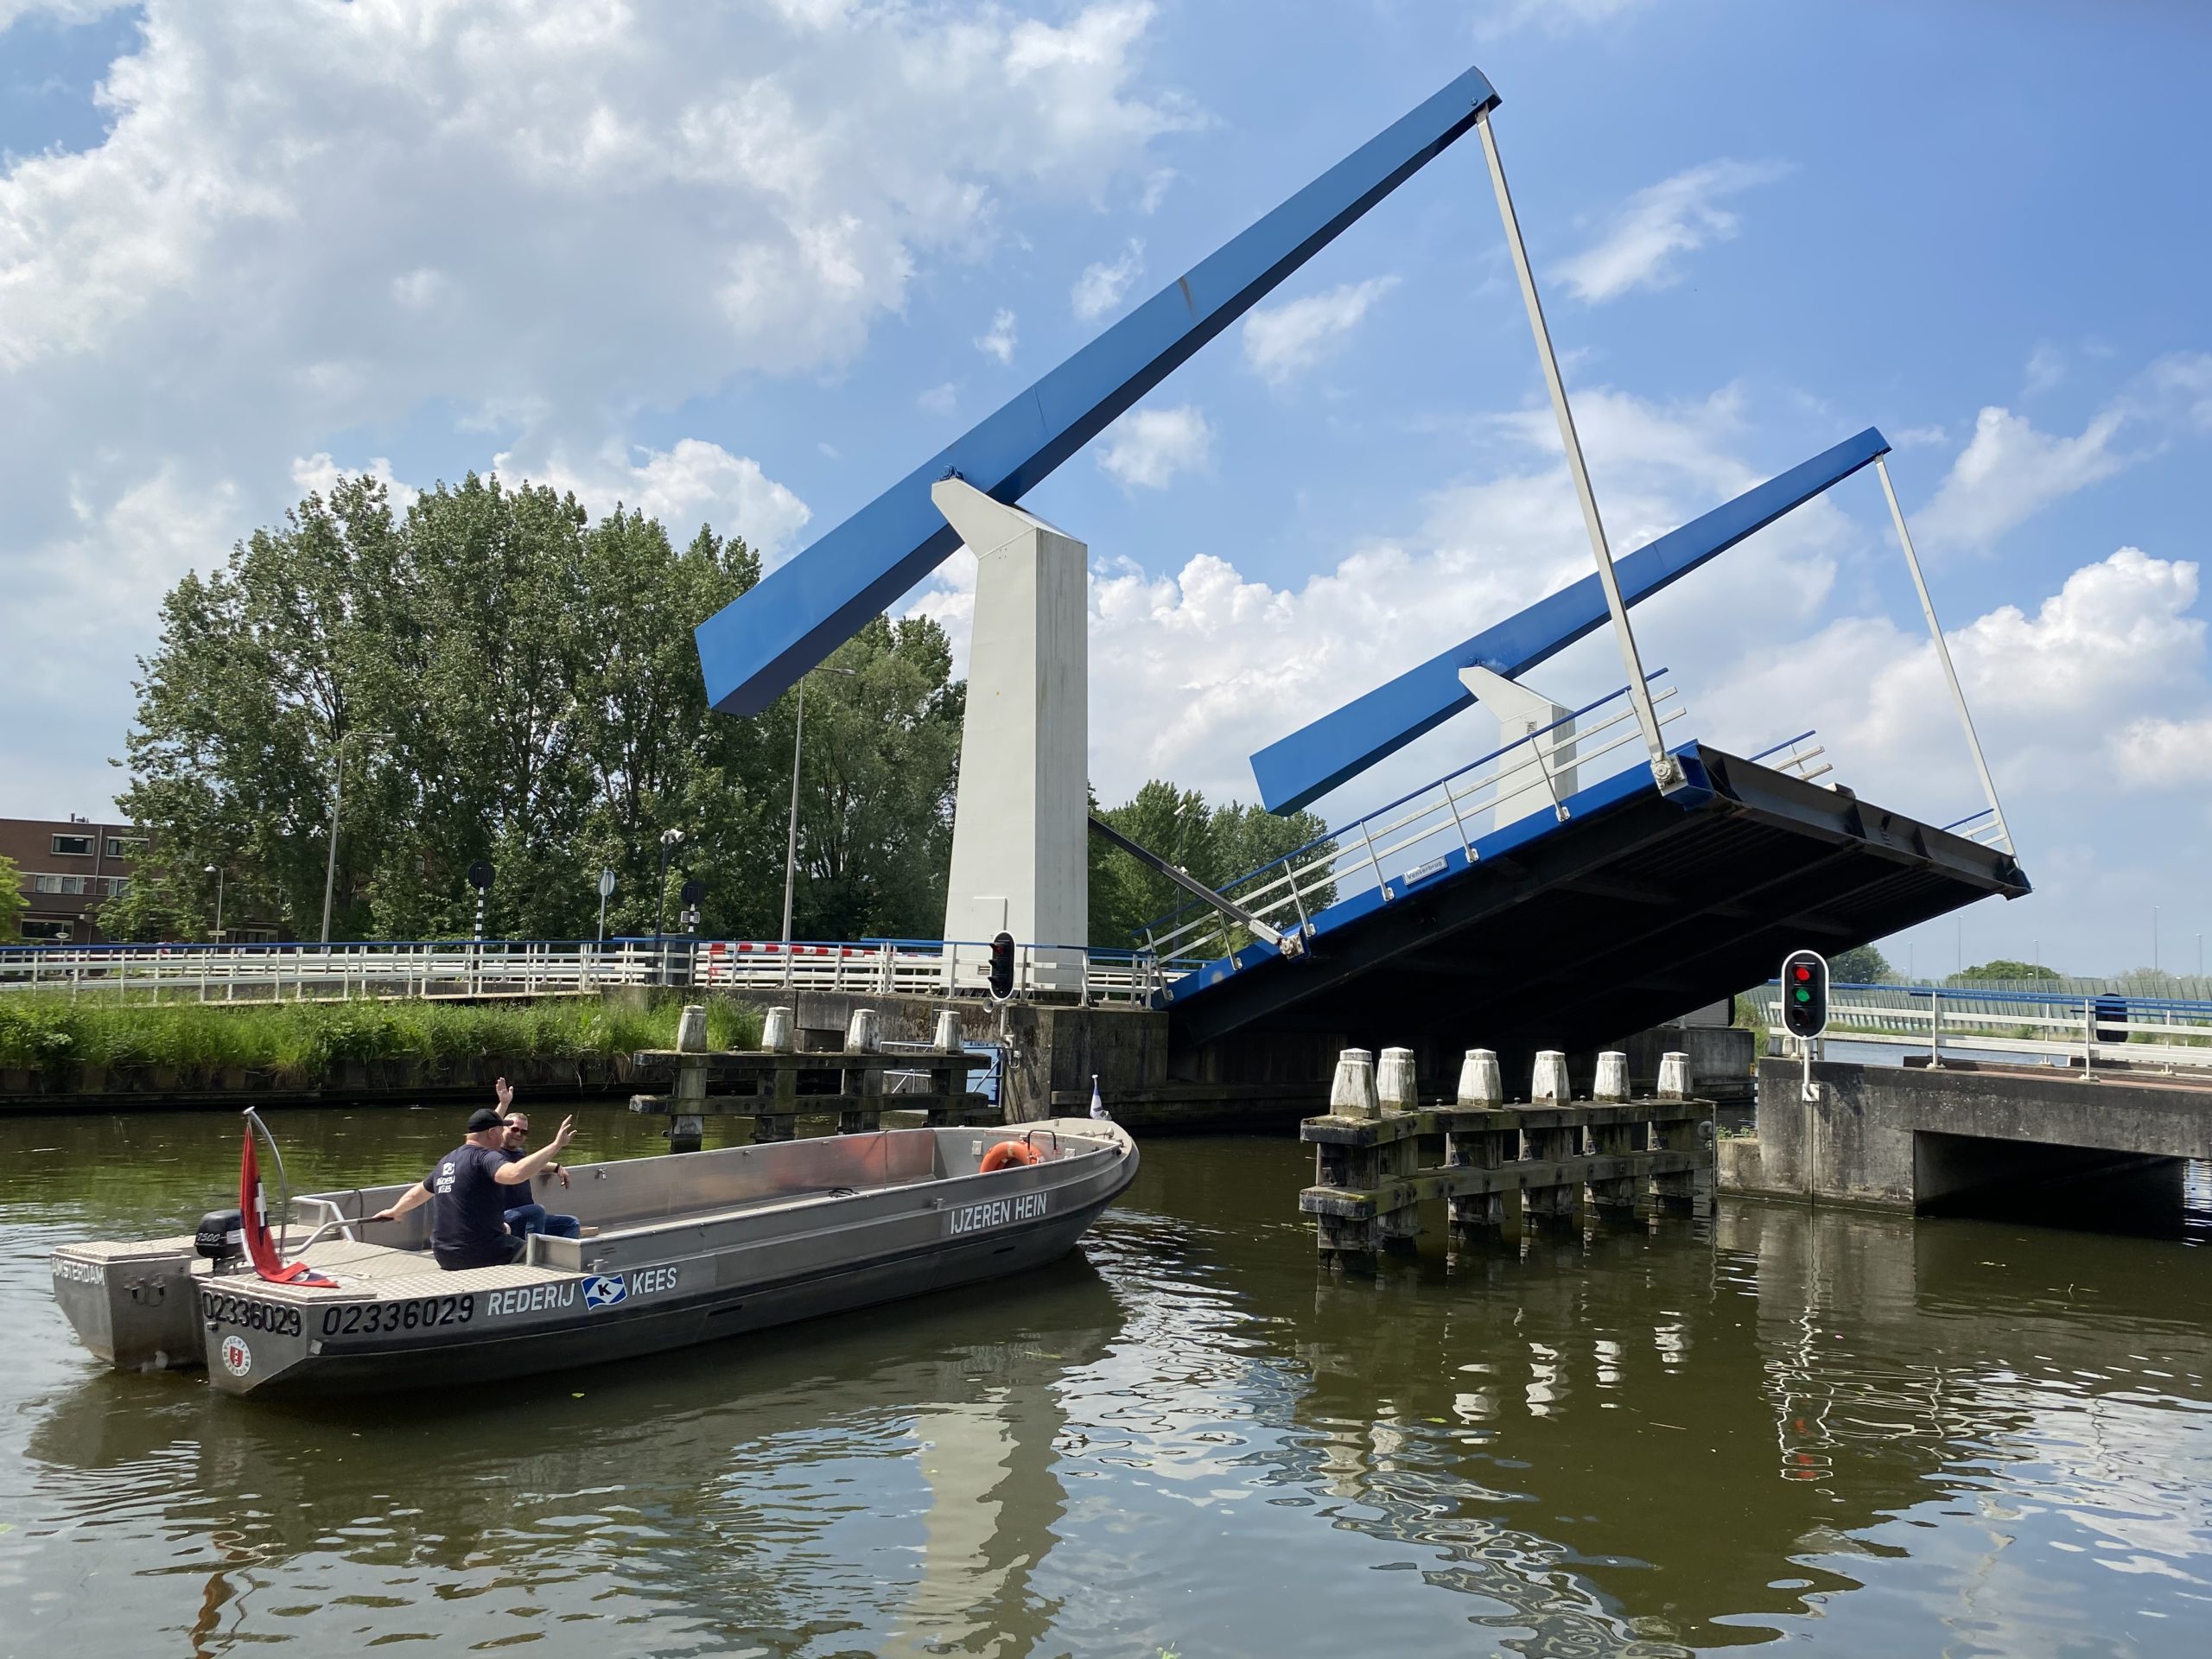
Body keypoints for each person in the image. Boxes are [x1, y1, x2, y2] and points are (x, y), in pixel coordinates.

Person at [372, 1098, 576, 1270]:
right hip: (479, 1252)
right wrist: (556, 1145)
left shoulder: (447, 1160)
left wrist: (396, 1210)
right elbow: (515, 1174)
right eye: (502, 1130)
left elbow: (419, 1193)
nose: (504, 1135)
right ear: (492, 1133)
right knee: (540, 1257)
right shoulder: (485, 1157)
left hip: (444, 1255)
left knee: (507, 1234)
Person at [496, 1086, 582, 1241]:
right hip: (503, 1220)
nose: (518, 1134)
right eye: (514, 1129)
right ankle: (530, 1259)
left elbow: (534, 1164)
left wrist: (557, 1167)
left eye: (523, 1132)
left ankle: (561, 1262)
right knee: (537, 1211)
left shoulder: (519, 1153)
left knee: (571, 1223)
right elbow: (487, 1128)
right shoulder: (492, 1153)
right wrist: (503, 1104)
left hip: (527, 1217)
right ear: (502, 1128)